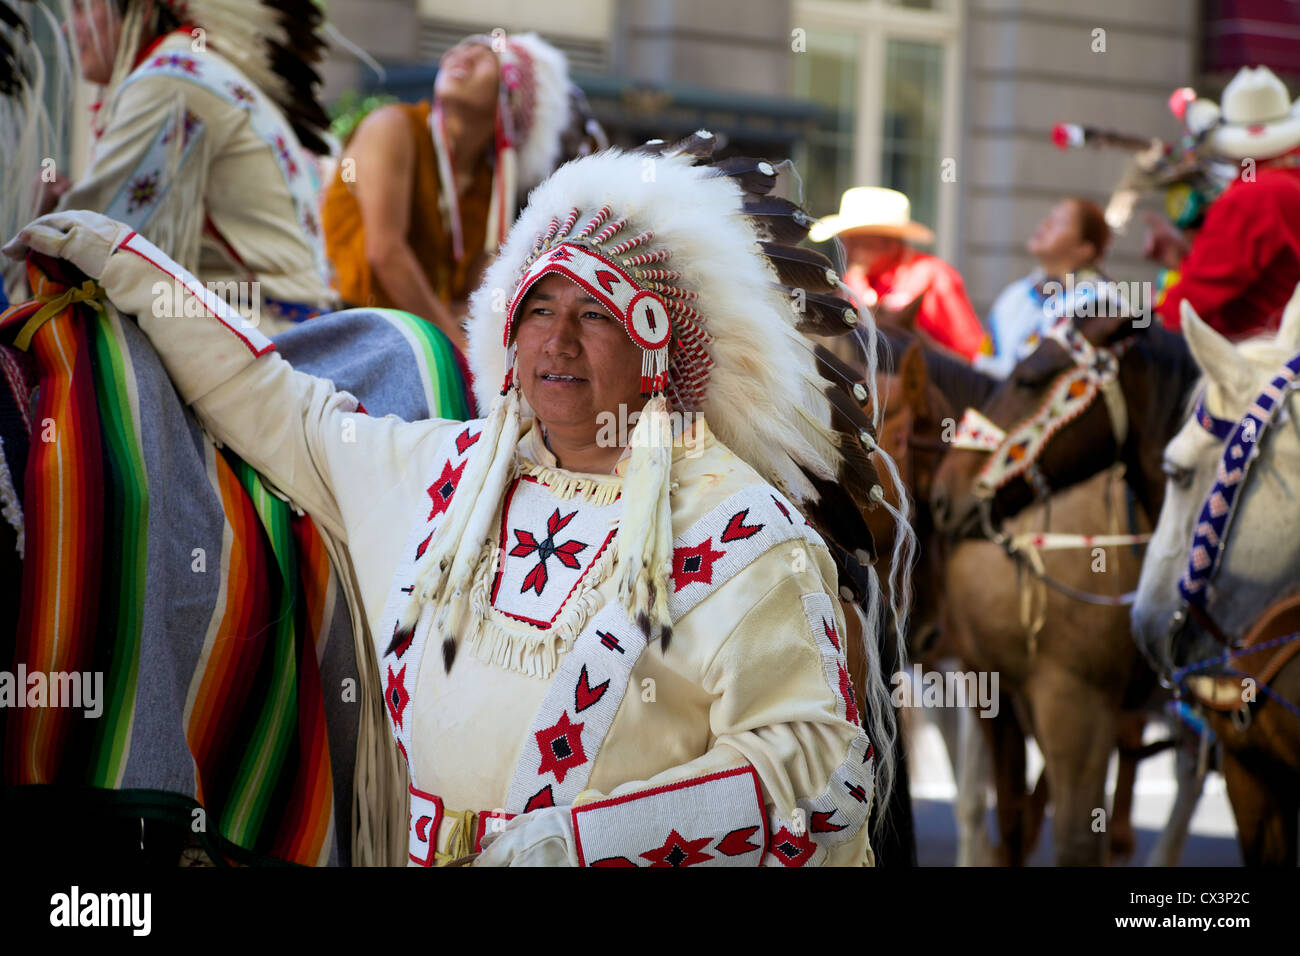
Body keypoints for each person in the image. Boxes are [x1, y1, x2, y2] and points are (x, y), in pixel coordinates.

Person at [10, 135, 900, 867]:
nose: (556, 341)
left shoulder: (746, 536)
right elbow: (280, 407)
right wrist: (134, 272)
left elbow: (816, 770)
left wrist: (571, 845)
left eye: (597, 315)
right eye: (538, 307)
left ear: (659, 355)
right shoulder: (445, 473)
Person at [49, 0, 336, 334]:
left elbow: (85, 245)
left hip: (265, 337)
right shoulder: (194, 66)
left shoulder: (170, 78)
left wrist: (45, 212)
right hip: (287, 327)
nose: (69, 29)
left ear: (140, 11)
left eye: (82, 8)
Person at [321, 32, 570, 356]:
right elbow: (385, 252)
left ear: (512, 98)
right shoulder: (392, 126)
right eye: (461, 46)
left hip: (415, 341)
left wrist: (462, 322)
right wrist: (460, 346)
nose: (460, 55)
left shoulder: (492, 186)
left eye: (483, 56)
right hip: (347, 327)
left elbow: (477, 293)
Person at [1148, 65, 1300, 339]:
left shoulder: (1253, 194)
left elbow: (1198, 295)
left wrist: (1147, 324)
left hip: (1257, 355)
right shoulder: (1283, 183)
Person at [812, 186, 985, 360]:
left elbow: (970, 357)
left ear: (891, 244)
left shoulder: (936, 277)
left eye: (859, 243)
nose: (847, 252)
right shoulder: (854, 281)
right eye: (845, 242)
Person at [974, 197, 1116, 378]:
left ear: (1084, 249)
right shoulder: (1015, 294)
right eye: (1049, 218)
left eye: (1060, 223)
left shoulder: (1100, 303)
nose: (1046, 224)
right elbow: (984, 367)